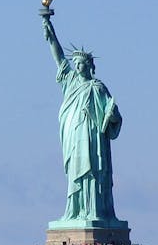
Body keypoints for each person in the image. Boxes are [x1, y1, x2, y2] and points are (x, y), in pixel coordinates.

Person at [42, 12, 123, 225]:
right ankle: (75, 211)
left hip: (92, 137)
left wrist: (112, 116)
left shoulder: (98, 88)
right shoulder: (70, 82)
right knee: (75, 173)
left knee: (94, 173)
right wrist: (51, 34)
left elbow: (113, 115)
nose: (77, 67)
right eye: (76, 64)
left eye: (81, 64)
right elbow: (59, 58)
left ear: (89, 66)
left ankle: (94, 211)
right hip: (73, 136)